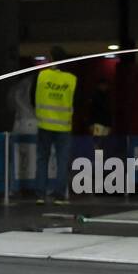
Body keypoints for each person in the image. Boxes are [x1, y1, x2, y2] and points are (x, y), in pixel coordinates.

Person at [34, 48, 76, 205]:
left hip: (44, 124)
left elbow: (33, 97)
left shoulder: (42, 76)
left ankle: (40, 194)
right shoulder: (71, 79)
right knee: (62, 161)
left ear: (52, 59)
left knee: (42, 160)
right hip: (64, 127)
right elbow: (76, 101)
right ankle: (59, 195)